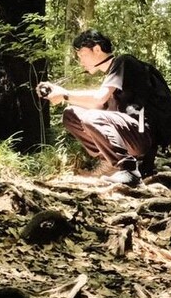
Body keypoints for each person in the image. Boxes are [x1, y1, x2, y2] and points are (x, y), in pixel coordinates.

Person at [39, 30, 160, 187]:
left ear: (97, 49)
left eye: (82, 54)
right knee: (71, 114)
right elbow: (97, 104)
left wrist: (65, 94)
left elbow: (98, 98)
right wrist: (59, 93)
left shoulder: (123, 62)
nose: (80, 61)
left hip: (144, 134)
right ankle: (110, 163)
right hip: (131, 134)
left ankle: (129, 171)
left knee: (90, 117)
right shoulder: (114, 78)